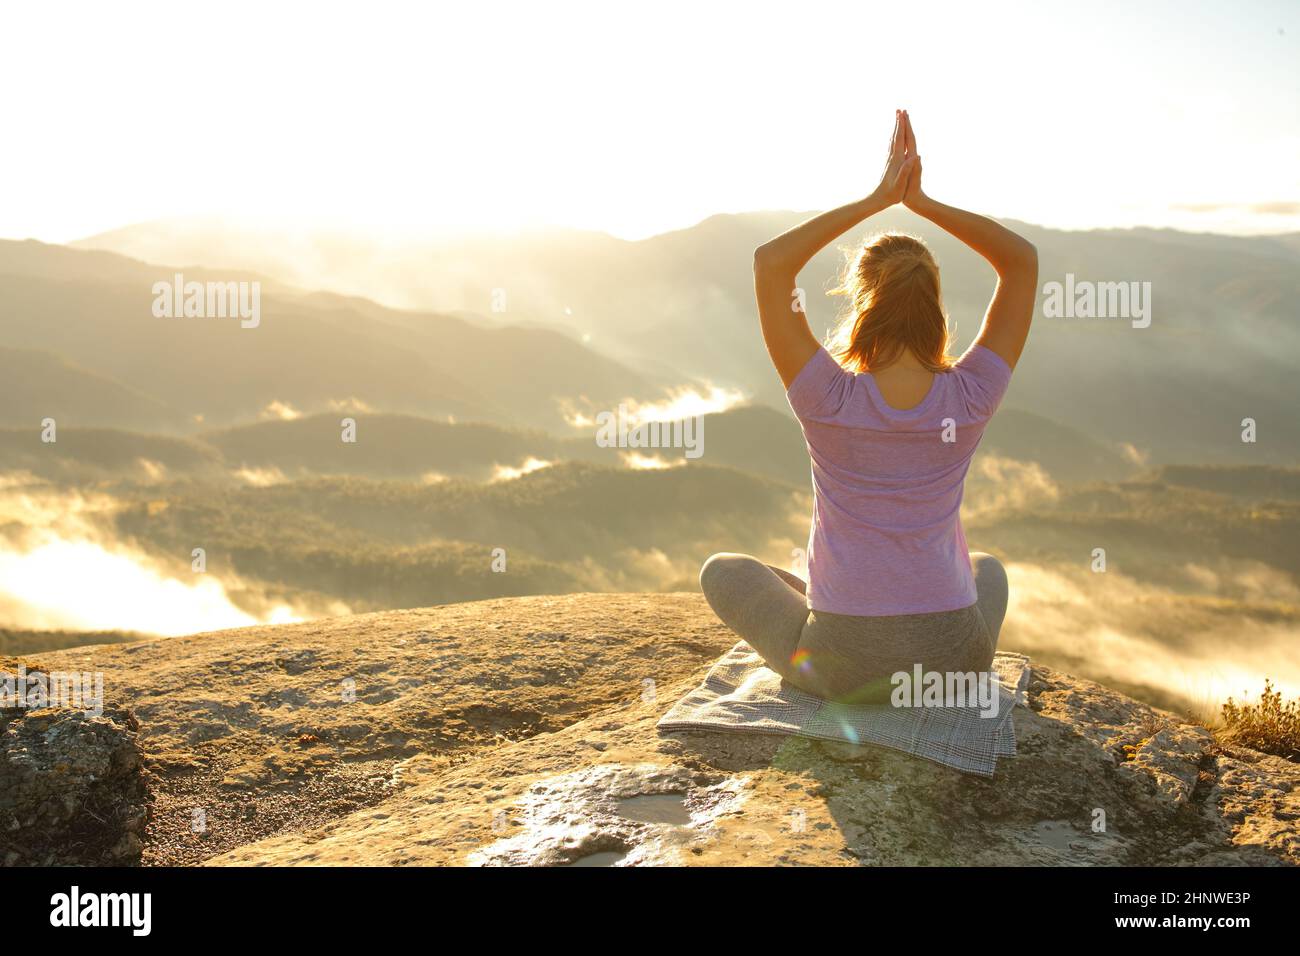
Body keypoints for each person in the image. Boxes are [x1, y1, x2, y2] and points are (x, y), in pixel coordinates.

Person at [699, 110, 1037, 704]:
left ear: (862, 303)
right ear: (933, 305)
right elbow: (1021, 262)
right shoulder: (972, 394)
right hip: (954, 668)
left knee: (724, 569)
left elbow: (771, 265)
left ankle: (836, 620)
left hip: (842, 666)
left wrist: (878, 198)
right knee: (988, 566)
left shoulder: (826, 396)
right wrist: (921, 202)